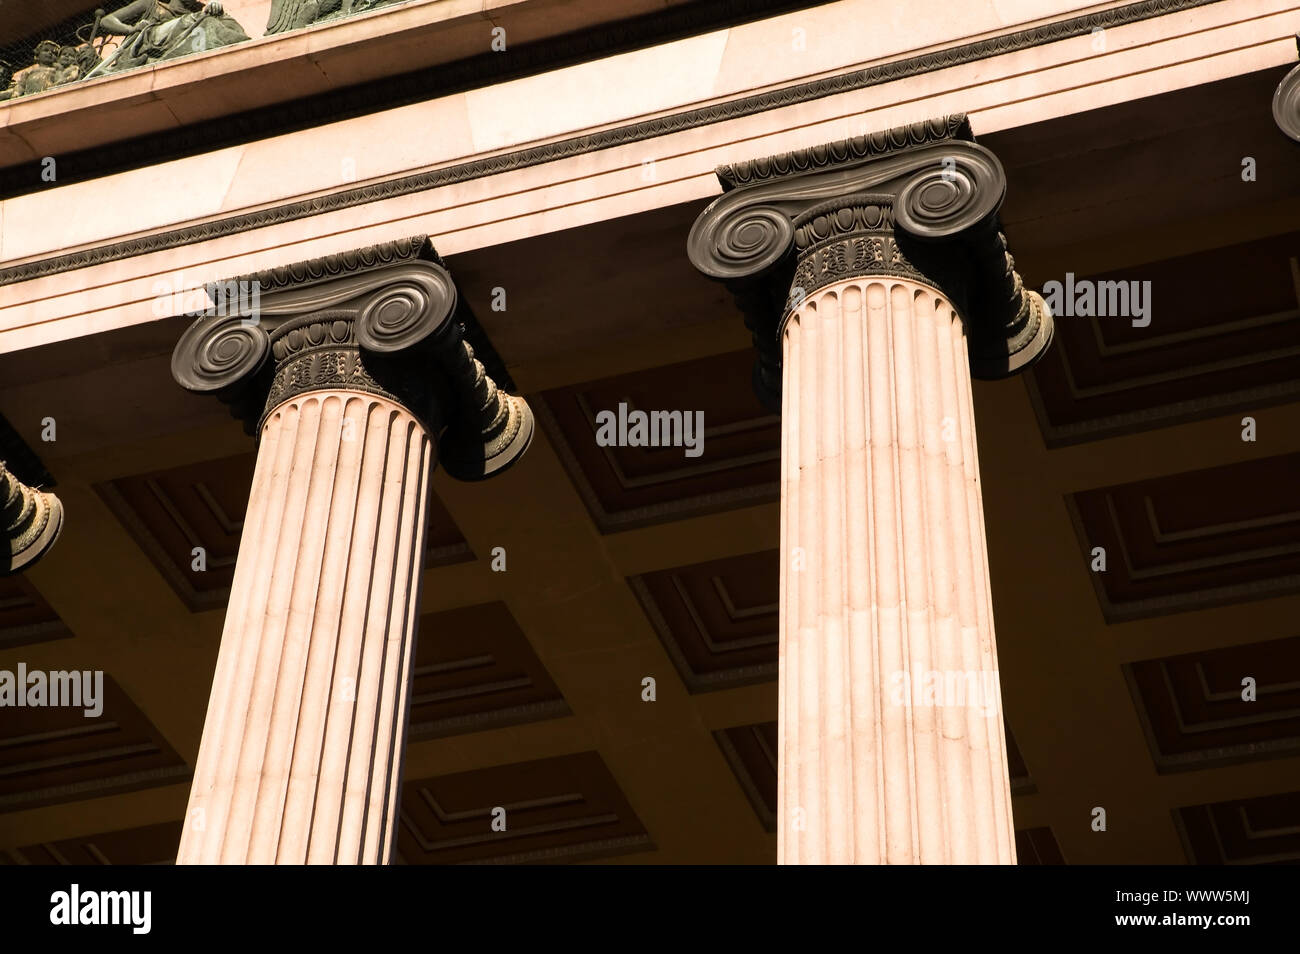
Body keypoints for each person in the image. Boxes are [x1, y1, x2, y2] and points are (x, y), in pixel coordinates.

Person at [85, 0, 250, 77]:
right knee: (199, 20)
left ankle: (240, 45)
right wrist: (132, 28)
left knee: (213, 20)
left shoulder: (197, 11)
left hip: (179, 38)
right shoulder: (150, 4)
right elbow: (107, 21)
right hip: (149, 40)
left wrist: (217, 9)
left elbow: (219, 19)